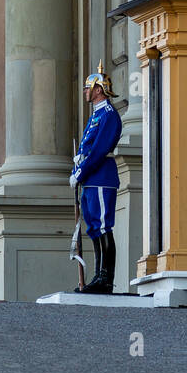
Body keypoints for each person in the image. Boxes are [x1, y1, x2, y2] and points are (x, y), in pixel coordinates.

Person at [70, 61, 122, 294]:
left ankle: (106, 277)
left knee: (102, 226)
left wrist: (81, 171)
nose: (85, 92)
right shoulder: (96, 116)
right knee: (93, 226)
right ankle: (97, 275)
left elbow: (100, 150)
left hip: (101, 177)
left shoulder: (109, 115)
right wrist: (77, 168)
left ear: (98, 89)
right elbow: (86, 149)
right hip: (91, 179)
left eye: (87, 87)